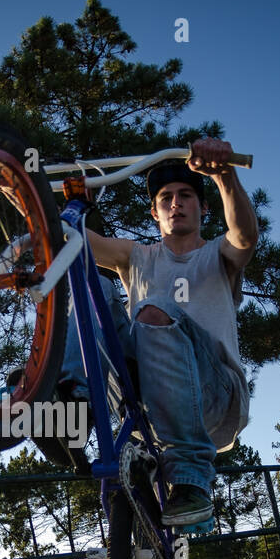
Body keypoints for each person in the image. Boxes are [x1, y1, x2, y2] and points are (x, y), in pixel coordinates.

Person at [83, 137, 258, 525]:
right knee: (84, 288)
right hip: (145, 401)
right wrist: (20, 192)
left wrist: (224, 176)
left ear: (203, 207)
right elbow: (70, 241)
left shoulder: (219, 255)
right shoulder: (136, 257)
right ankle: (67, 404)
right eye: (166, 198)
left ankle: (191, 478)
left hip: (213, 397)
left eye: (186, 196)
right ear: (154, 213)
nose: (176, 203)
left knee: (156, 307)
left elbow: (245, 236)